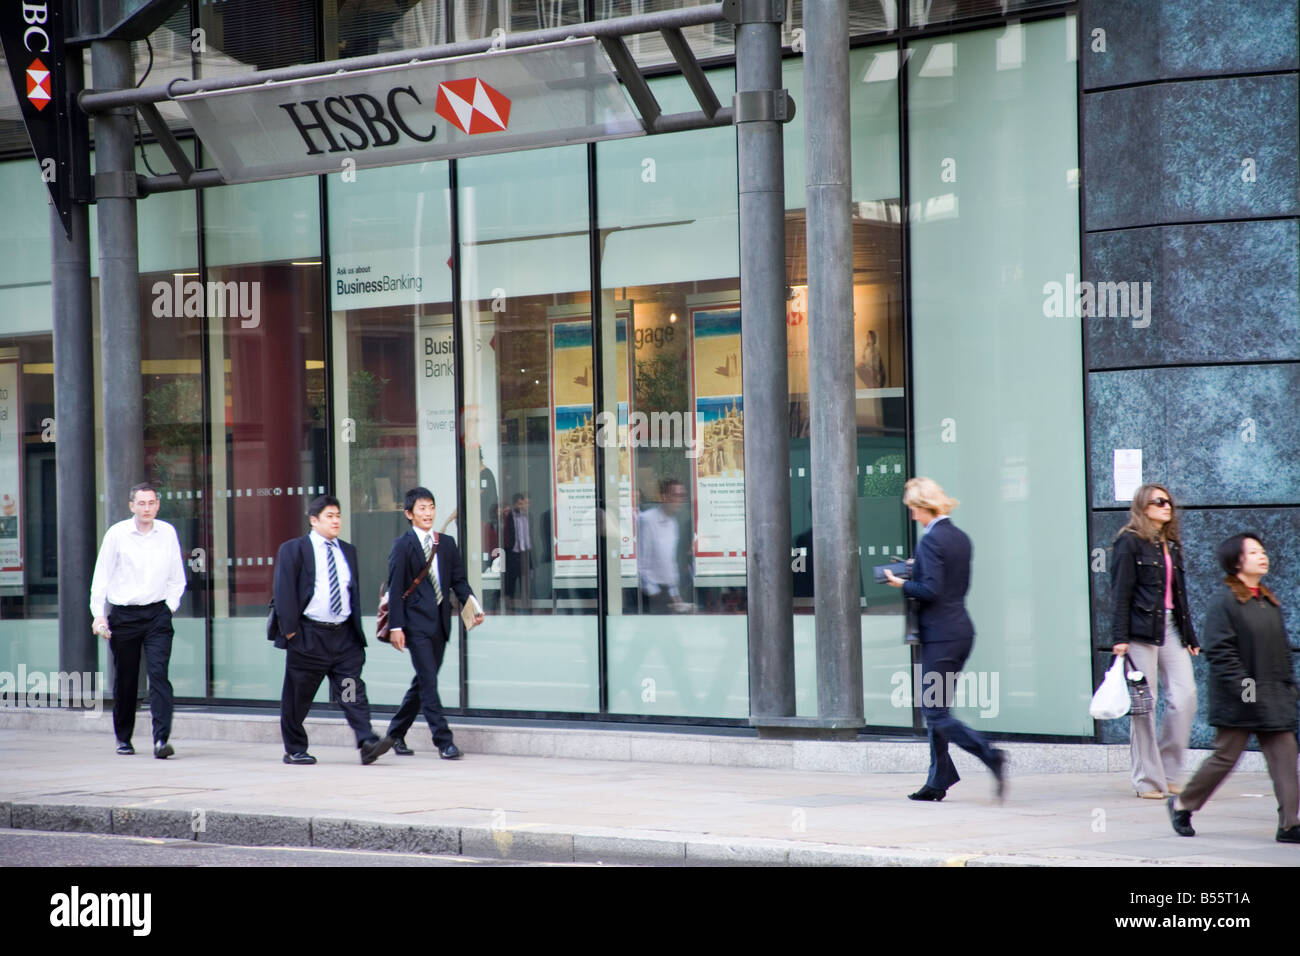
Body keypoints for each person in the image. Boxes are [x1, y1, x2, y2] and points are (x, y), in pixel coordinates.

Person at [1168, 534, 1300, 842]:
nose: (1262, 556)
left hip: (1274, 699)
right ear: (1236, 561)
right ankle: (1183, 803)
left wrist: (1290, 691)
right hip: (1241, 699)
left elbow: (1281, 652)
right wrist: (1248, 691)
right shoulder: (1225, 600)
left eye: (1262, 551)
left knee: (1284, 756)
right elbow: (1220, 651)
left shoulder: (1267, 600)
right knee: (1225, 758)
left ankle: (1290, 824)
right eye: (1253, 552)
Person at [884, 477, 1007, 802]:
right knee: (937, 708)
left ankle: (989, 753)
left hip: (941, 635)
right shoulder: (959, 537)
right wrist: (917, 568)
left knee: (934, 711)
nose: (912, 516)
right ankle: (938, 779)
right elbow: (949, 581)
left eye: (912, 509)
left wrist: (901, 583)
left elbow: (932, 590)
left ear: (924, 507)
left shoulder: (931, 540)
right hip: (959, 631)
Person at [271, 494, 393, 766]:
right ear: (314, 521)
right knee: (298, 696)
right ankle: (295, 748)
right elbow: (284, 592)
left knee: (351, 690)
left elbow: (352, 592)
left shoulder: (347, 550)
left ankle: (367, 741)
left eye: (338, 515)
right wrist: (292, 633)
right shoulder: (294, 549)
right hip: (309, 636)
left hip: (343, 638)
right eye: (329, 516)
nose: (336, 520)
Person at [1107, 483, 1199, 798]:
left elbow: (1180, 594)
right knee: (1144, 707)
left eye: (1169, 501)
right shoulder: (1128, 542)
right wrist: (1119, 638)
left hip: (1171, 628)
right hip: (1139, 631)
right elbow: (1119, 593)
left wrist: (1190, 635)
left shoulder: (1170, 544)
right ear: (1143, 507)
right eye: (1159, 501)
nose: (1166, 506)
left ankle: (1169, 772)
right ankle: (1147, 779)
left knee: (1185, 697)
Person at [89, 482, 187, 758]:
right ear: (132, 506)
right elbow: (102, 577)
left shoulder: (167, 532)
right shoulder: (117, 534)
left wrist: (169, 607)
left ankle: (161, 740)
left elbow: (177, 578)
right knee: (127, 679)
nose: (147, 508)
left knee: (159, 675)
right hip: (124, 615)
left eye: (151, 503)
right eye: (141, 503)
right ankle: (123, 738)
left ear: (158, 505)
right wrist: (99, 615)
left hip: (157, 614)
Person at [385, 487, 482, 758]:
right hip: (415, 625)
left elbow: (459, 581)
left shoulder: (446, 543)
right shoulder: (403, 545)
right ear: (409, 514)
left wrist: (472, 606)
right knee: (428, 683)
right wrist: (396, 627)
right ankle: (444, 741)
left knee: (423, 683)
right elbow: (395, 589)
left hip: (440, 624)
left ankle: (394, 735)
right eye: (421, 509)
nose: (428, 513)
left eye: (431, 507)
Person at [637, 478, 687, 613]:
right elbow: (642, 562)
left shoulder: (673, 522)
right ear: (664, 497)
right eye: (676, 496)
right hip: (652, 594)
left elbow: (669, 562)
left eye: (682, 496)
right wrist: (654, 594)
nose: (680, 500)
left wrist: (674, 593)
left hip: (667, 593)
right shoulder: (647, 520)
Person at [502, 491, 532, 612]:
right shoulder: (509, 516)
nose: (521, 506)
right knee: (511, 582)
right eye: (519, 504)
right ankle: (511, 608)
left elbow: (528, 537)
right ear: (514, 504)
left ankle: (527, 607)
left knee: (525, 582)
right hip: (512, 553)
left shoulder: (528, 517)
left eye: (522, 504)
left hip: (524, 553)